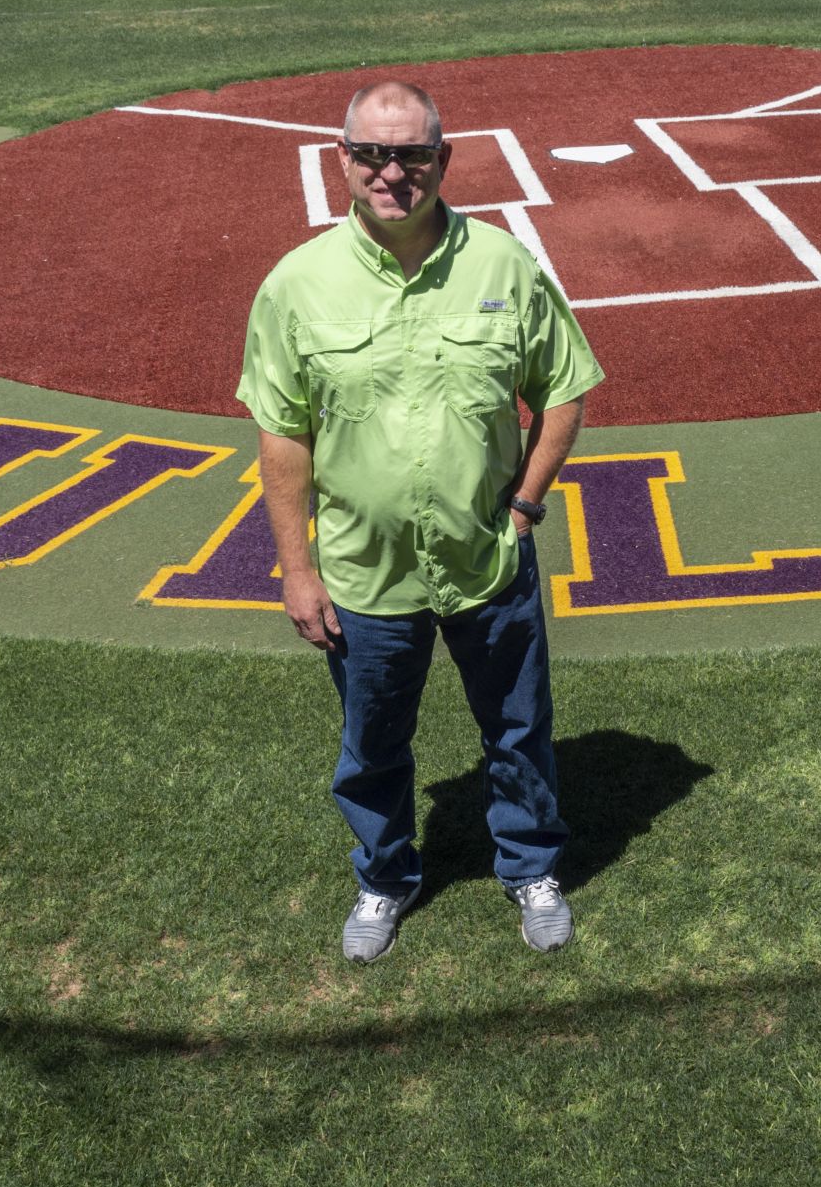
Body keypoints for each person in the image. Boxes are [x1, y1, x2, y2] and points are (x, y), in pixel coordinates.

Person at [236, 81, 604, 963]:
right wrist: (296, 567)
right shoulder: (297, 286)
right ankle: (385, 876)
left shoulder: (504, 266)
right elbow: (282, 437)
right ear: (344, 160)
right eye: (372, 154)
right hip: (365, 574)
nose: (390, 172)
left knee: (517, 730)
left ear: (444, 159)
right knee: (371, 746)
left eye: (411, 154)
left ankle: (530, 866)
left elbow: (564, 391)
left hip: (487, 560)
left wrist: (523, 505)